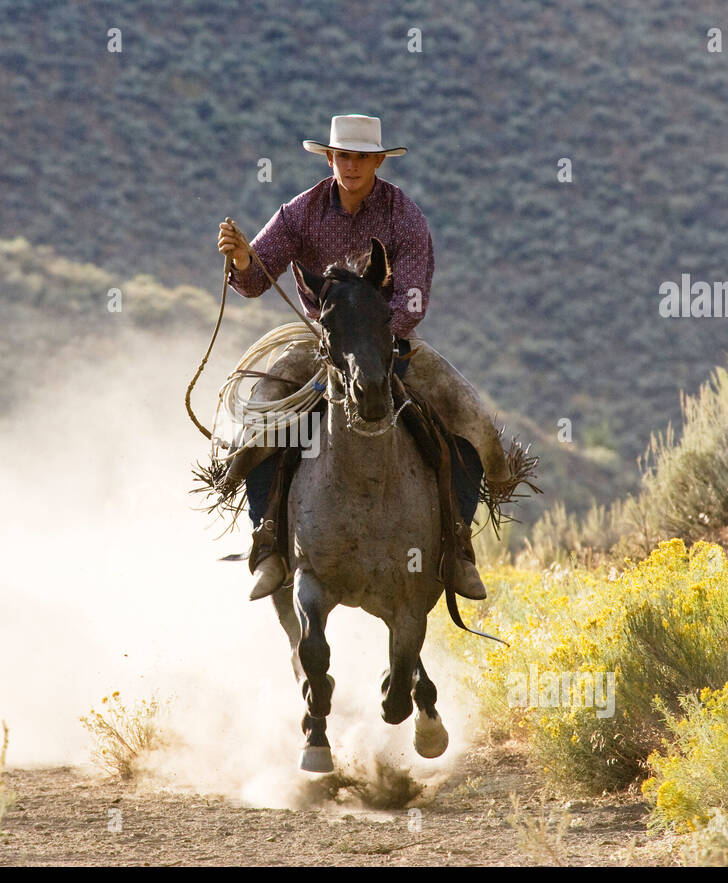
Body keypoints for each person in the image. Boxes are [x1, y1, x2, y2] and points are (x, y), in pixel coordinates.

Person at [215, 114, 510, 601]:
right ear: (330, 158)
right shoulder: (299, 212)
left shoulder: (404, 215)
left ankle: (456, 546)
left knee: (471, 418)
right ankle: (268, 541)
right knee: (263, 415)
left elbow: (412, 297)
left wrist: (371, 338)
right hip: (321, 341)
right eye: (342, 156)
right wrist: (244, 259)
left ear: (377, 161)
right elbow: (253, 279)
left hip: (391, 341)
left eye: (360, 157)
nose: (350, 166)